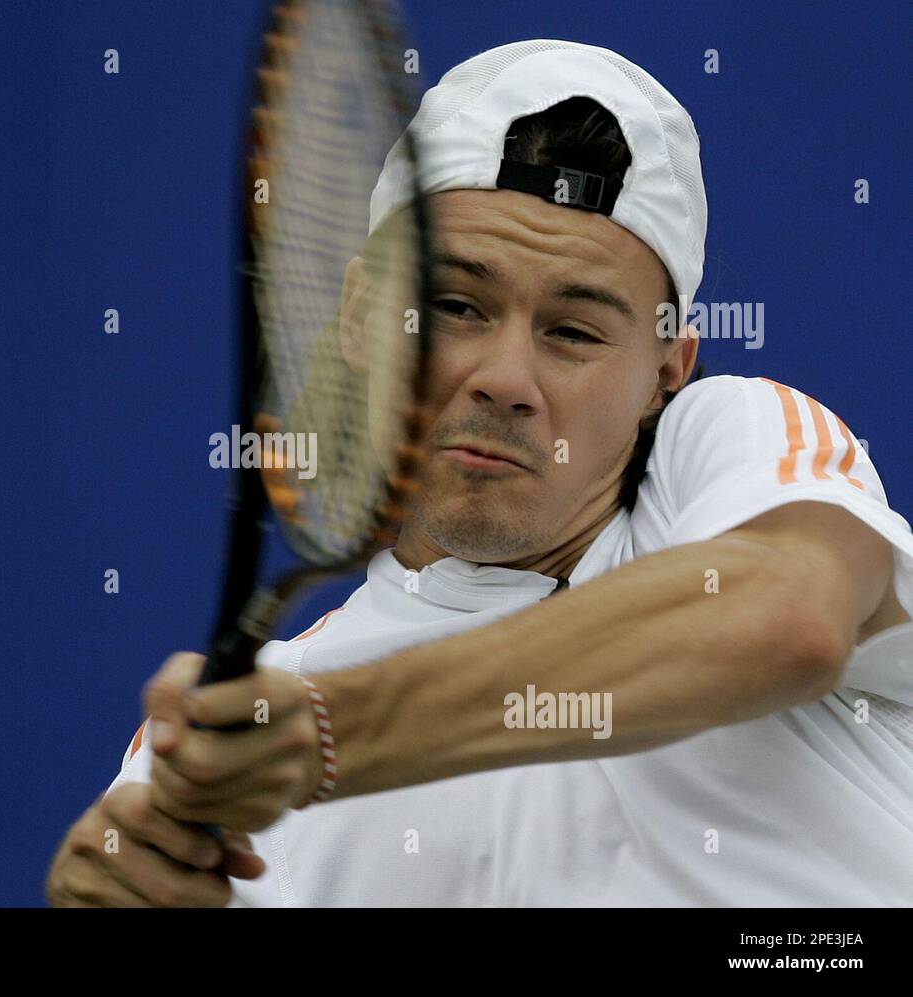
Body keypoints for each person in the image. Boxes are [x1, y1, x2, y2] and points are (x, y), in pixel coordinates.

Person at [48, 39, 913, 907]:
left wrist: (335, 733)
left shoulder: (733, 444)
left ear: (667, 372)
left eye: (573, 330)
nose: (505, 378)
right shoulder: (233, 757)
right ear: (357, 315)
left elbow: (789, 614)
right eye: (457, 306)